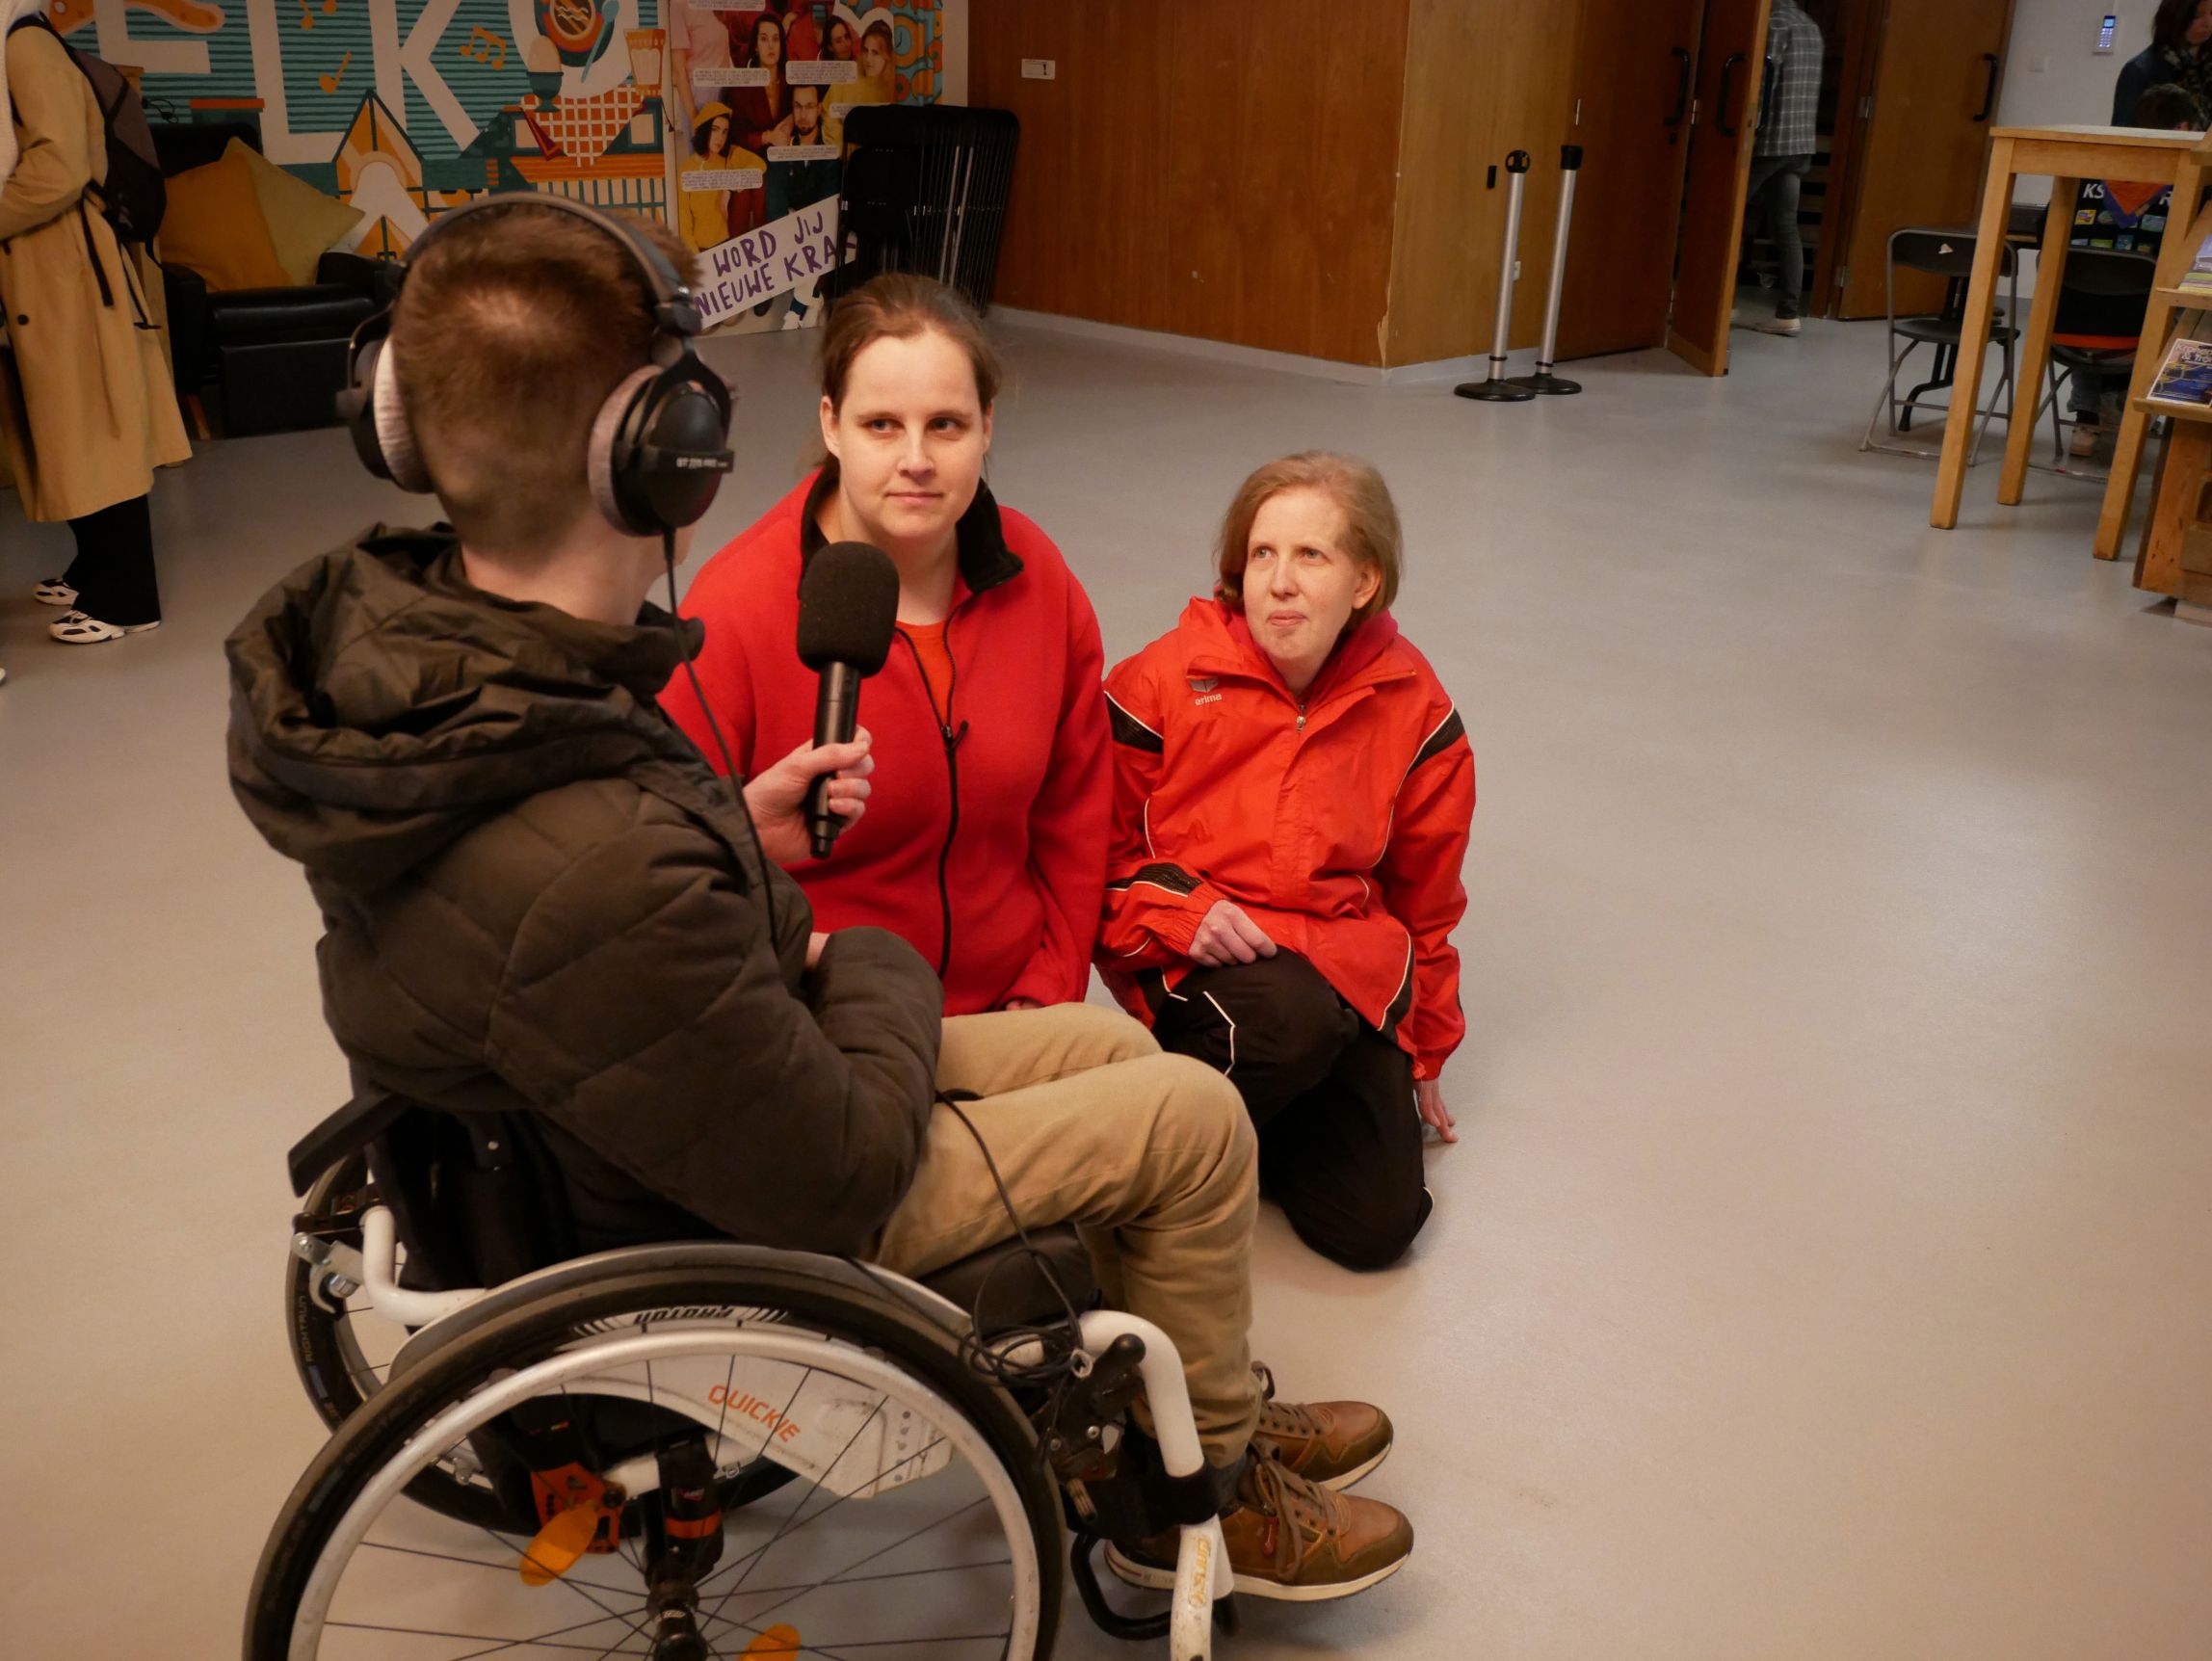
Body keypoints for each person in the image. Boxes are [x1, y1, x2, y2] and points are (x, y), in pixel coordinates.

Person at [224, 198, 1414, 1602]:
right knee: (1197, 1117)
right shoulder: (622, 782)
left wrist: (738, 836)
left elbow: (618, 920)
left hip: (637, 1114)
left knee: (1111, 1049)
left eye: (950, 426)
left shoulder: (436, 686)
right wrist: (871, 959)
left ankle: (1181, 1397)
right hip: (729, 1193)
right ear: (668, 454)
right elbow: (835, 1162)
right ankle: (1187, 1501)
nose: (916, 458)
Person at [661, 275, 1111, 1017]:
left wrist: (1048, 987)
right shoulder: (734, 607)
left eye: (945, 425)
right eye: (880, 425)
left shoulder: (1042, 581)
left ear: (987, 426)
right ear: (831, 424)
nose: (916, 459)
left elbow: (1076, 815)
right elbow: (667, 870)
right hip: (826, 1020)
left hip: (1014, 1009)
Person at [1096, 454, 1473, 1272]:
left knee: (1378, 1228)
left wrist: (1427, 1047)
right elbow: (1088, 853)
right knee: (1285, 1021)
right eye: (1262, 555)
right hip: (1205, 959)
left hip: (1340, 973)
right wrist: (1181, 913)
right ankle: (1132, 1174)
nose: (1280, 582)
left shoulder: (1417, 707)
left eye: (1312, 556)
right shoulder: (1158, 680)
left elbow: (1428, 898)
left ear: (1365, 580)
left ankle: (1243, 1125)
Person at [2, 0, 190, 646]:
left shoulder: (24, 44)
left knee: (95, 425)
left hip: (65, 272)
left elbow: (59, 167)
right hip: (49, 270)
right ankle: (94, 570)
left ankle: (129, 600)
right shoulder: (21, 38)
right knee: (64, 425)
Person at [2063, 82, 2205, 458]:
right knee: (2183, 304)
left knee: (2088, 294)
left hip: (2063, 333)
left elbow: (2048, 242)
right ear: (2183, 130)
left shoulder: (2081, 180)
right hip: (2141, 341)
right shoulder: (2191, 193)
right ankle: (2144, 408)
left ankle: (2087, 415)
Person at [1744, 0, 1822, 336]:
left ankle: (1709, 309)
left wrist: (1748, 126)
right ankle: (1788, 312)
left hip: (1769, 141)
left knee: (1724, 223)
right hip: (1801, 141)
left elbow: (1765, 81)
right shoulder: (1810, 26)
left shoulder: (1775, 24)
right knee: (1786, 228)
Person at [677, 102, 766, 253]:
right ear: (705, 129)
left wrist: (729, 187)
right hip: (700, 251)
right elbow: (684, 226)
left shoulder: (729, 155)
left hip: (727, 246)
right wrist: (698, 258)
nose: (720, 137)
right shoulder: (686, 169)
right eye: (715, 130)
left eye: (725, 132)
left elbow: (760, 165)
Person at [2115, 0, 2212, 125]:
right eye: (2197, 16)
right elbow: (2123, 133)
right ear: (2176, 18)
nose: (2208, 23)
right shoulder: (2141, 70)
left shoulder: (2207, 64)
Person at [765, 82, 840, 220]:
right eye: (798, 106)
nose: (803, 115)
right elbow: (775, 212)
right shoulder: (783, 148)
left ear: (818, 109)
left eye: (810, 107)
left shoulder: (830, 149)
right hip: (787, 233)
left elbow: (827, 210)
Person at [731, 11, 790, 153]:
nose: (771, 46)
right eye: (764, 39)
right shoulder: (742, 87)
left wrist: (792, 119)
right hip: (754, 161)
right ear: (756, 46)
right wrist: (768, 137)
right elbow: (735, 136)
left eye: (776, 39)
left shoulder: (790, 82)